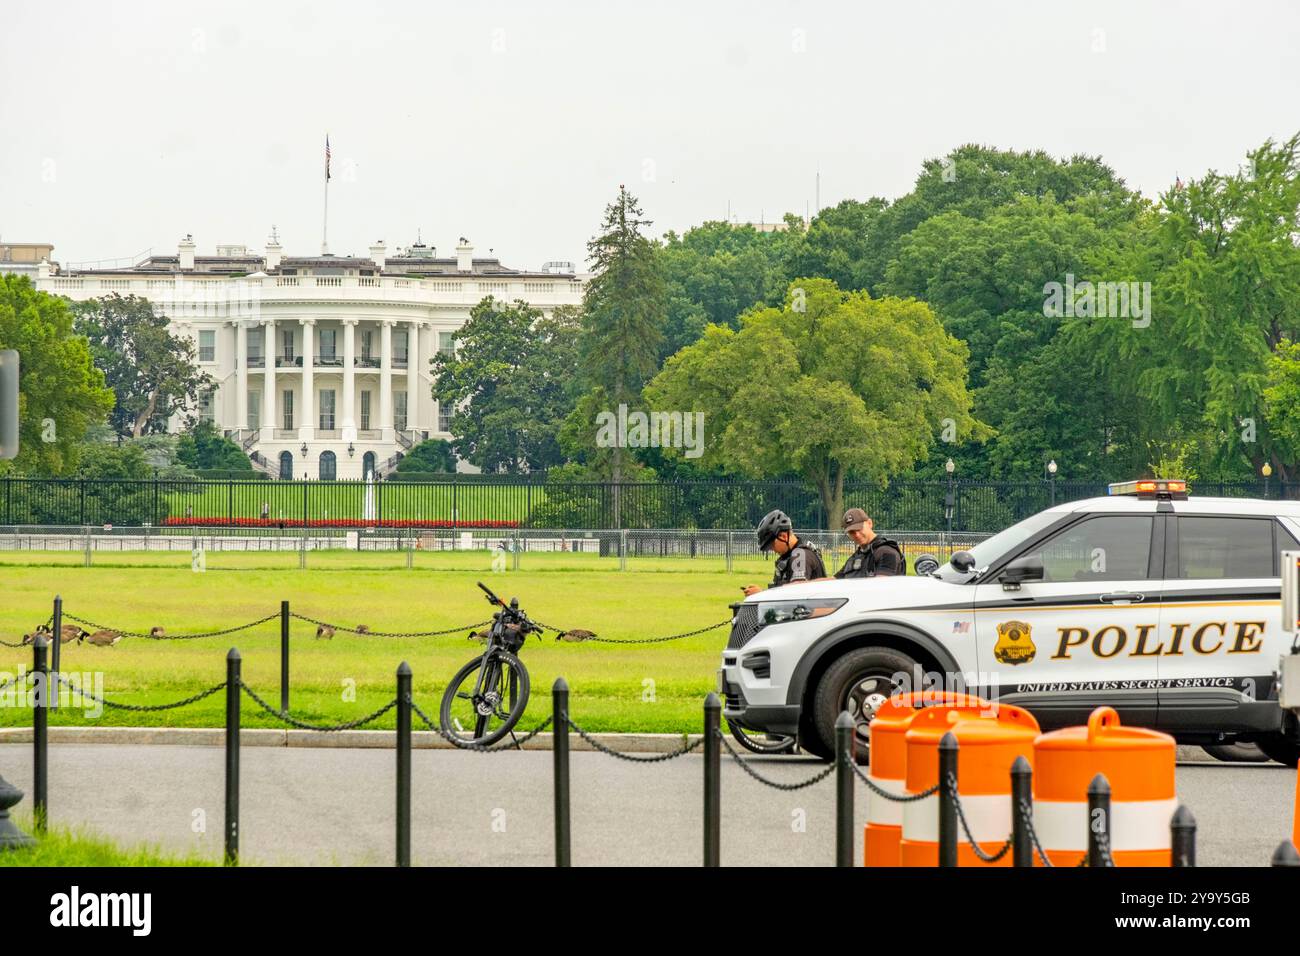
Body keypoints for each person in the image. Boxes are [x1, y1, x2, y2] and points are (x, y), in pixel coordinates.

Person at [743, 509, 826, 596]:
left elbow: (796, 593)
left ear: (783, 536)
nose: (772, 550)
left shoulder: (800, 555)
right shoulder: (789, 557)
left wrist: (762, 594)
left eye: (772, 545)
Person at [834, 507, 906, 578]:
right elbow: (834, 580)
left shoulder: (887, 552)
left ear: (870, 523)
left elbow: (882, 585)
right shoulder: (858, 555)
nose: (857, 535)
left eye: (859, 529)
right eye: (851, 532)